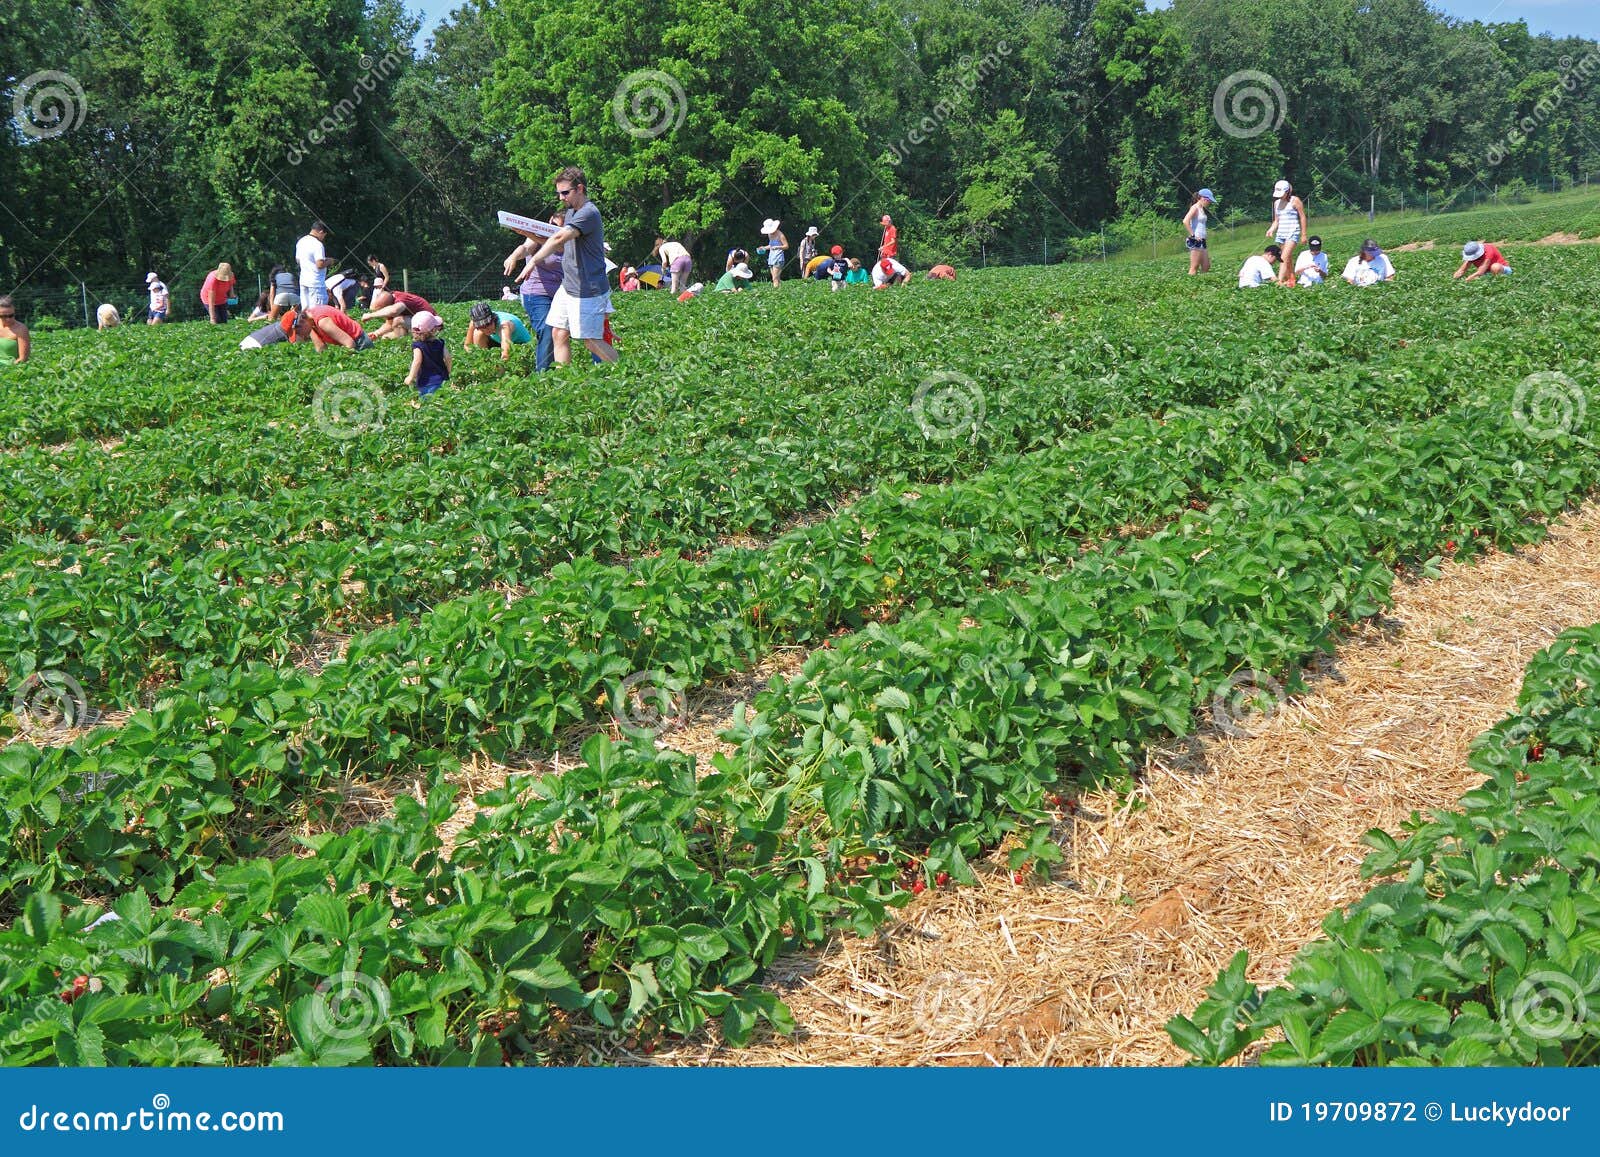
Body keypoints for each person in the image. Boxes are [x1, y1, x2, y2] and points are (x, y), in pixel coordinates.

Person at [515, 166, 618, 364]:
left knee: (591, 341)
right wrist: (527, 232)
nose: (561, 197)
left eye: (565, 192)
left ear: (580, 188)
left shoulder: (588, 213)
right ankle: (565, 382)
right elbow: (561, 245)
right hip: (568, 285)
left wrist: (534, 260)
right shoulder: (571, 211)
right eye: (558, 193)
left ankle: (627, 372)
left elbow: (559, 237)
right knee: (558, 332)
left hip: (588, 288)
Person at [505, 207, 568, 372]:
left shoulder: (568, 241)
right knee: (548, 329)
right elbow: (524, 248)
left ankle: (560, 372)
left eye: (558, 226)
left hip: (560, 295)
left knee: (561, 332)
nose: (552, 227)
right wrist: (513, 257)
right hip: (536, 293)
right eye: (552, 223)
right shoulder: (537, 237)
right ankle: (544, 375)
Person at [1267, 180, 1307, 286]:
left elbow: (1302, 217)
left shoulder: (1295, 200)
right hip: (1281, 234)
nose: (1280, 197)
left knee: (1283, 257)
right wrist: (1271, 229)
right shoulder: (1276, 203)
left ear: (1287, 191)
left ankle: (1279, 280)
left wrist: (1303, 234)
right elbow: (1276, 220)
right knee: (1288, 258)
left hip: (1293, 232)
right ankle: (1291, 278)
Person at [464, 301, 533, 361]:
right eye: (481, 326)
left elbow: (506, 355)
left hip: (520, 345)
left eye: (488, 324)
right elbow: (467, 345)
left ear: (493, 318)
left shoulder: (504, 326)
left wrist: (498, 373)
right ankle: (484, 359)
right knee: (477, 333)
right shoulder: (473, 323)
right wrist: (475, 361)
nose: (486, 329)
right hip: (498, 341)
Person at [289, 303, 375, 350]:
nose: (302, 336)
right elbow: (320, 347)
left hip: (360, 345)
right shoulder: (310, 320)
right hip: (351, 345)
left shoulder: (322, 321)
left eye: (299, 333)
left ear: (301, 322)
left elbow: (350, 344)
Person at [405, 310, 451, 396]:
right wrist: (448, 371)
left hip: (426, 382)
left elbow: (417, 361)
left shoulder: (418, 346)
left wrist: (411, 377)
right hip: (442, 380)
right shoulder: (440, 342)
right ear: (433, 330)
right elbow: (448, 357)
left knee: (428, 404)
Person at [362, 289, 435, 340]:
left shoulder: (400, 299)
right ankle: (401, 340)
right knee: (385, 337)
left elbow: (394, 311)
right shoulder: (391, 300)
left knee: (398, 320)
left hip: (432, 325)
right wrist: (376, 334)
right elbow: (389, 324)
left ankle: (402, 340)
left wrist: (371, 315)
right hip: (418, 323)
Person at [295, 221, 334, 307]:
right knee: (318, 310)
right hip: (316, 283)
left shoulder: (301, 241)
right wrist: (329, 261)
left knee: (306, 310)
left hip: (304, 281)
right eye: (324, 235)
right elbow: (319, 264)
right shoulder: (317, 244)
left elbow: (298, 260)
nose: (323, 238)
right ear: (321, 232)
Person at [1182, 188, 1216, 275]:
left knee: (1206, 266)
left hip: (1202, 240)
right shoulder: (1195, 208)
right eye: (1209, 201)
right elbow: (1185, 221)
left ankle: (1201, 284)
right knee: (1194, 266)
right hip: (1196, 241)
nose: (1209, 203)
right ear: (1203, 198)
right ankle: (1189, 285)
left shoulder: (1202, 209)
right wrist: (1193, 235)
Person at [0, 296, 31, 364]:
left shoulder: (21, 329)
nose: (8, 319)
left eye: (11, 315)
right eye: (3, 316)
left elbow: (23, 358)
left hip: (10, 369)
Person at [759, 218, 788, 286]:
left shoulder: (780, 235)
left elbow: (786, 246)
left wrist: (778, 247)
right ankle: (779, 292)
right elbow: (771, 245)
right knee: (775, 278)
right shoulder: (769, 235)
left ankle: (776, 293)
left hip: (778, 257)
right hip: (771, 257)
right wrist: (764, 248)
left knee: (775, 278)